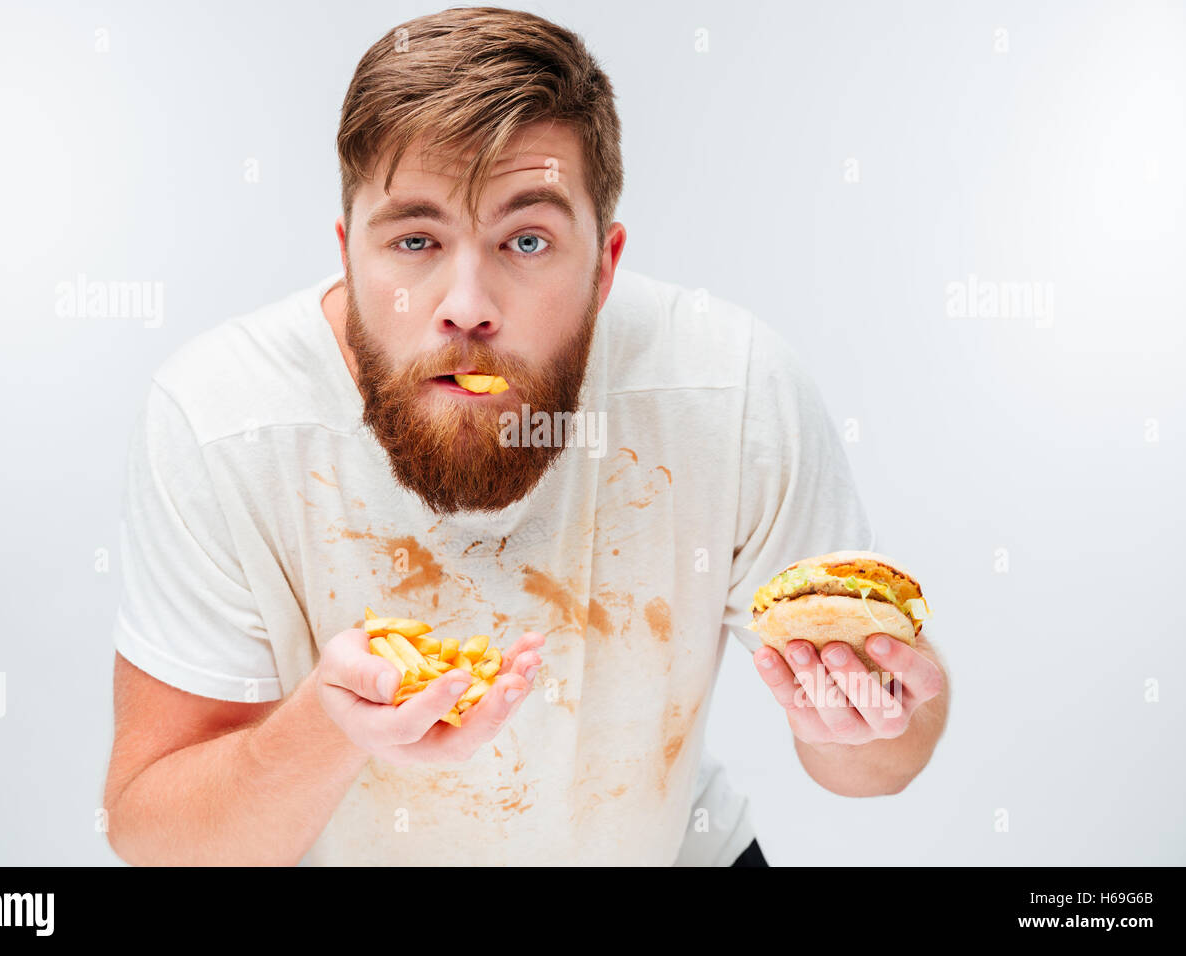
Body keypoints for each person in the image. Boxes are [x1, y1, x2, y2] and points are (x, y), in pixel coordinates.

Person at [102, 5, 947, 867]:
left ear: (605, 264)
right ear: (350, 254)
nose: (467, 304)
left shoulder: (728, 390)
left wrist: (864, 721)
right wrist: (327, 726)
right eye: (417, 238)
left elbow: (883, 766)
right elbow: (153, 833)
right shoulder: (220, 419)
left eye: (528, 238)